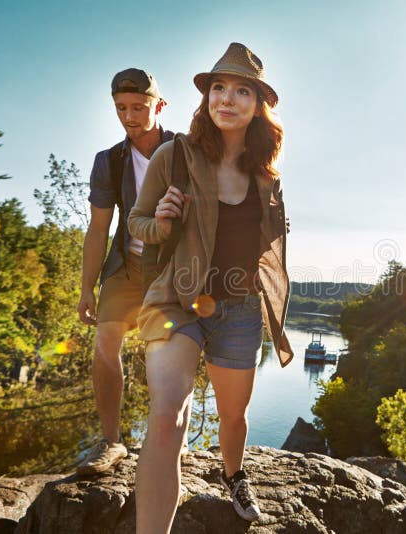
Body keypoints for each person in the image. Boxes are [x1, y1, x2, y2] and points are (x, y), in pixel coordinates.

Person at [127, 42, 293, 531]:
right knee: (166, 416)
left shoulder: (266, 177)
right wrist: (159, 221)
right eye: (218, 87)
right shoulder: (173, 156)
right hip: (176, 302)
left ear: (258, 105)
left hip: (239, 310)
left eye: (242, 90)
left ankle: (235, 473)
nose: (227, 98)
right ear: (206, 98)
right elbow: (137, 222)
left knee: (234, 417)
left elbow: (271, 248)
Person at [75, 68, 179, 475]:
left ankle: (169, 444)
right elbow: (98, 228)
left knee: (169, 354)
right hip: (126, 265)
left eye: (139, 107)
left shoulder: (185, 151)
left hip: (173, 268)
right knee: (105, 342)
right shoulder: (109, 162)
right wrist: (87, 288)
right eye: (121, 108)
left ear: (159, 106)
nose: (130, 117)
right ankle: (111, 442)